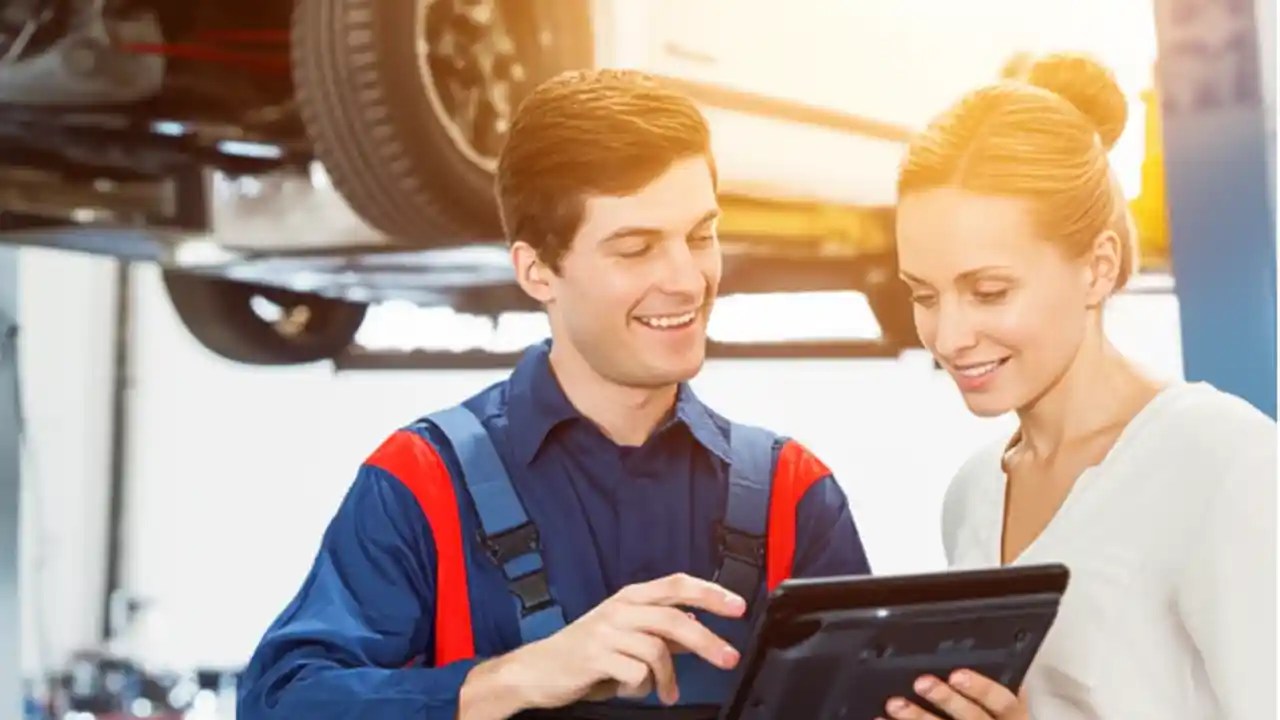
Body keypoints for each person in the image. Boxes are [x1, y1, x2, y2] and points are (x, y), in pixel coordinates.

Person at [235, 69, 872, 720]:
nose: (686, 279)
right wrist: (514, 679)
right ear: (537, 271)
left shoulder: (794, 497)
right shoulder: (422, 485)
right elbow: (281, 703)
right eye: (635, 248)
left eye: (700, 236)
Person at [881, 52, 1277, 720]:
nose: (948, 337)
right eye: (924, 295)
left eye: (988, 291)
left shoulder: (1224, 464)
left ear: (1098, 268)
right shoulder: (973, 495)